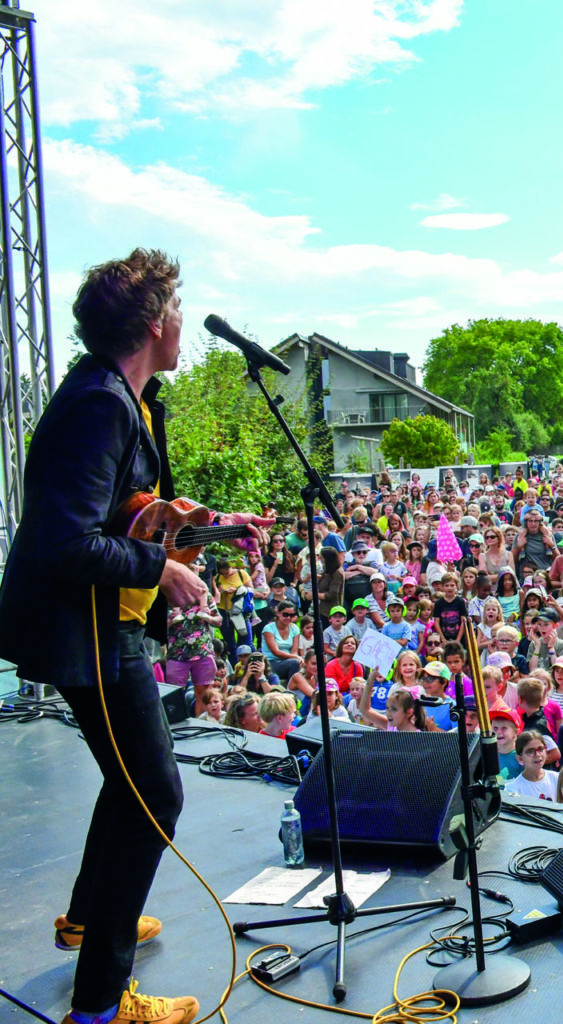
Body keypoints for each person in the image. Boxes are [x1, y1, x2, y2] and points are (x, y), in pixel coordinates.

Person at [0, 250, 272, 1024]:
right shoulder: (101, 403)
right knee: (155, 794)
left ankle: (87, 917)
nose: (185, 321)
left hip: (102, 623)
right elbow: (62, 541)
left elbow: (132, 510)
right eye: (179, 309)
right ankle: (102, 1003)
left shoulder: (126, 395)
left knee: (133, 785)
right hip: (85, 632)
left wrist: (212, 531)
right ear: (154, 323)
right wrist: (162, 568)